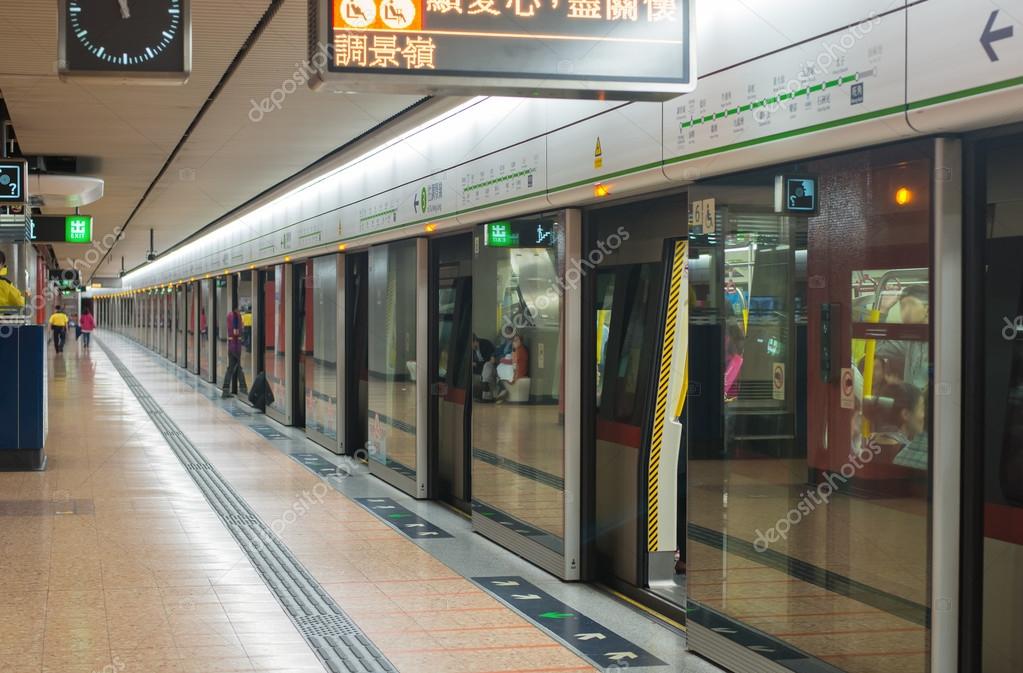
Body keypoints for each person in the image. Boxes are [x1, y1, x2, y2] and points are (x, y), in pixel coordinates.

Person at [221, 306, 248, 398]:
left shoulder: (229, 315)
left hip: (231, 345)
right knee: (232, 368)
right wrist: (241, 331)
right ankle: (239, 388)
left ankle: (242, 387)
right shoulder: (236, 316)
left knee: (236, 368)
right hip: (235, 346)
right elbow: (236, 332)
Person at [496, 334, 529, 401]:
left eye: (516, 340)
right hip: (515, 369)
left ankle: (502, 391)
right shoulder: (516, 349)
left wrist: (502, 360)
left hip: (518, 371)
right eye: (514, 340)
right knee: (499, 371)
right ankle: (502, 391)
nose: (514, 342)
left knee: (500, 372)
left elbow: (514, 362)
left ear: (520, 342)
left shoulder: (521, 350)